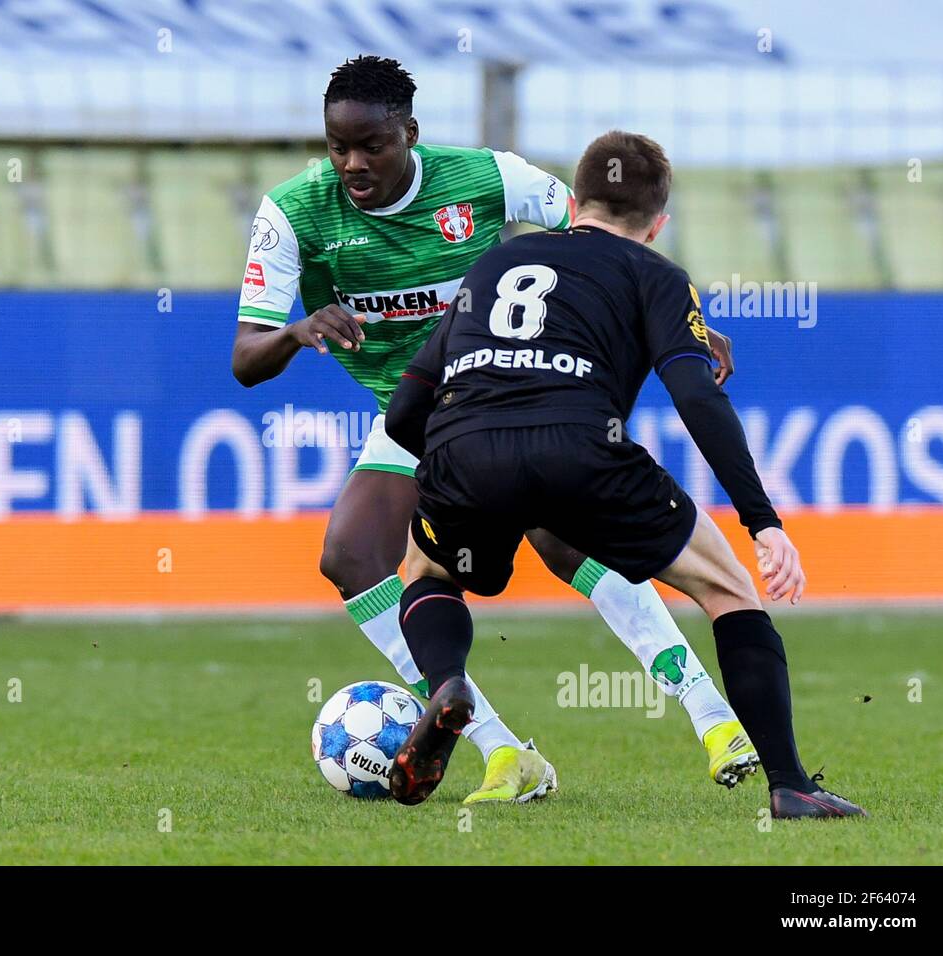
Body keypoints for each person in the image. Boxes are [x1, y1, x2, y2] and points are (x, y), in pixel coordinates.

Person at [233, 56, 755, 804]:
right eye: (336, 146)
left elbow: (603, 233)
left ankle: (712, 716)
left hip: (516, 391)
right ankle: (501, 752)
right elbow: (246, 359)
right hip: (414, 415)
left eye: (371, 146)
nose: (352, 163)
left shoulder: (488, 179)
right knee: (350, 553)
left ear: (409, 133)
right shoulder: (294, 214)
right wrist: (299, 330)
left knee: (560, 537)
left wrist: (686, 321)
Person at [383, 129, 866, 819]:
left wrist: (468, 468)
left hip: (465, 447)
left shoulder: (495, 265)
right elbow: (697, 397)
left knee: (426, 573)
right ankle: (789, 785)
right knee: (729, 589)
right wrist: (762, 522)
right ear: (657, 224)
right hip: (583, 449)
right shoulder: (656, 276)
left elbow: (406, 410)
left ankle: (449, 683)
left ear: (573, 201)